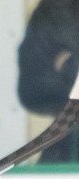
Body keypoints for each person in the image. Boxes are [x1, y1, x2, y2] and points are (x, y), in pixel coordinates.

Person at [17, 0, 79, 163]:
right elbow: (32, 86)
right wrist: (72, 68)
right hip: (68, 153)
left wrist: (68, 64)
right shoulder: (59, 8)